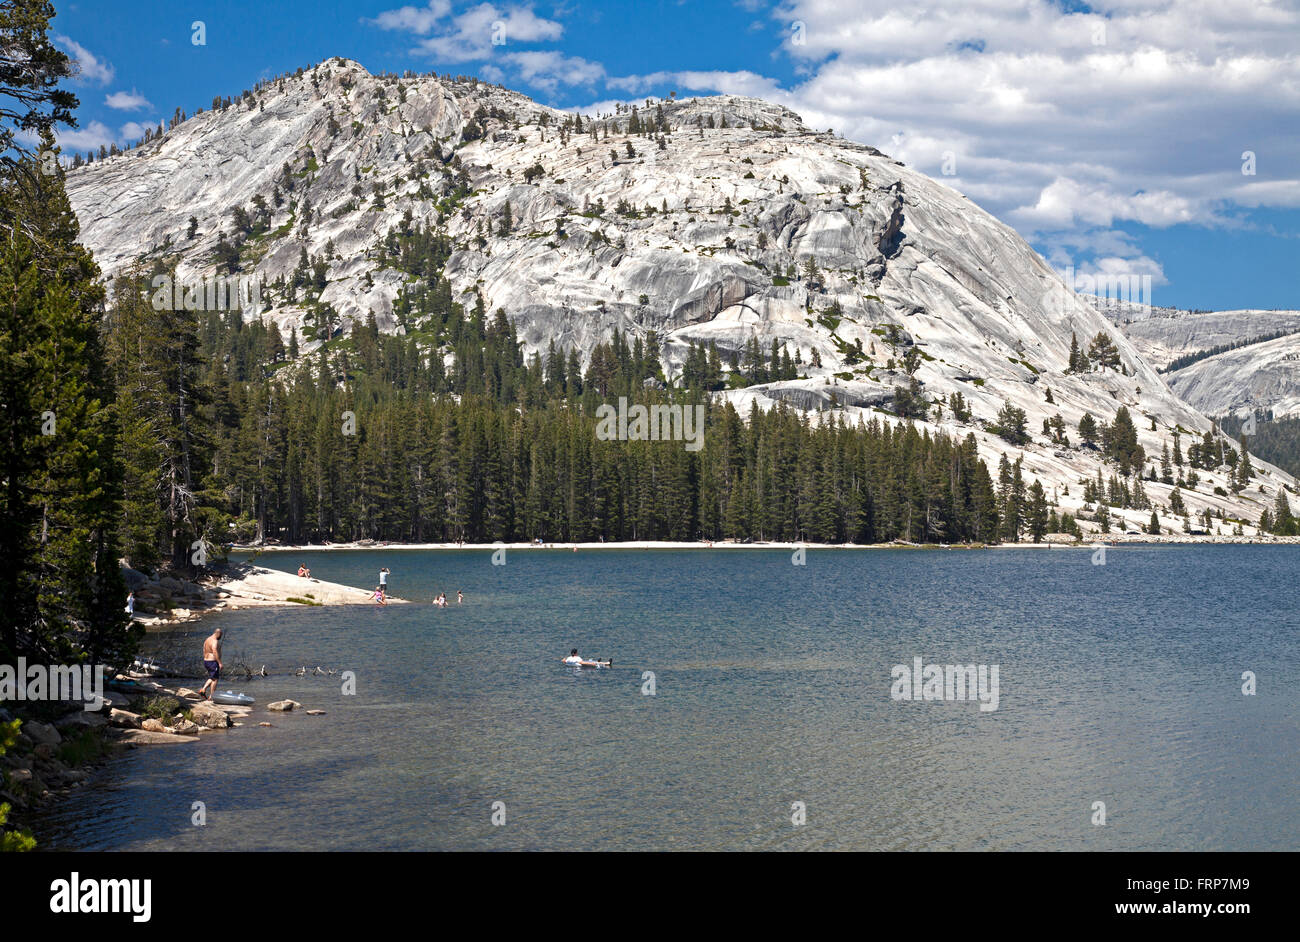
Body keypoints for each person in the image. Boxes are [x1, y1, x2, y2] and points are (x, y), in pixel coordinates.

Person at [199, 628, 223, 700]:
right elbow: (214, 651)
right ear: (218, 634)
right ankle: (212, 697)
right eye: (220, 636)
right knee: (215, 679)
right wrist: (219, 663)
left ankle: (203, 690)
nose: (220, 637)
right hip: (212, 662)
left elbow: (204, 649)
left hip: (206, 661)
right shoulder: (215, 641)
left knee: (212, 677)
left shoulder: (207, 639)